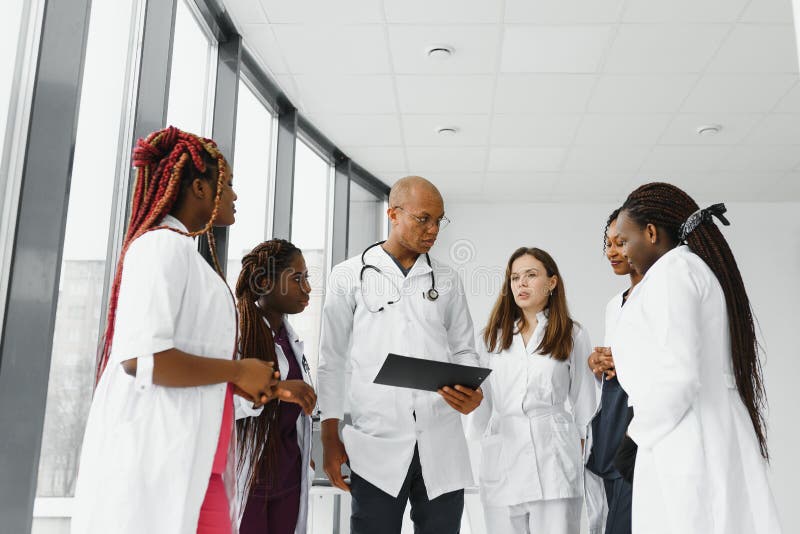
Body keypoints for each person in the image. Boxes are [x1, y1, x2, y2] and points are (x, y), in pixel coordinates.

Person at [72, 126, 278, 534]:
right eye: (227, 185)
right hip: (158, 468)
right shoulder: (159, 248)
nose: (234, 196)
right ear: (199, 188)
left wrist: (242, 385)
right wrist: (237, 371)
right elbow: (142, 359)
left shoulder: (185, 254)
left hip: (198, 468)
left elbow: (189, 366)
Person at [612, 182, 782, 534]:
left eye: (625, 240)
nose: (623, 252)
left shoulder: (673, 274)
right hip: (694, 431)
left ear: (651, 233)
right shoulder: (686, 270)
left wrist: (635, 435)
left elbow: (679, 376)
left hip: (684, 437)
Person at [317, 176, 483, 534]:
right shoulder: (348, 275)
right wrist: (329, 435)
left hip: (440, 438)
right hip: (377, 442)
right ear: (393, 214)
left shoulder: (447, 278)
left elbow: (464, 348)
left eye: (439, 220)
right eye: (423, 218)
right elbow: (332, 359)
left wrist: (472, 391)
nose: (433, 229)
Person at [467, 246, 596, 534]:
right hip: (503, 458)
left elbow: (585, 404)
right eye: (515, 278)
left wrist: (579, 455)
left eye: (531, 275)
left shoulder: (572, 334)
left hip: (555, 463)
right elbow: (480, 407)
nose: (521, 284)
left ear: (552, 282)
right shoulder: (491, 338)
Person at [235, 239, 317, 534]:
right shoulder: (239, 335)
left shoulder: (289, 339)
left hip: (289, 478)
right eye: (297, 279)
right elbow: (219, 400)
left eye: (307, 278)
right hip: (251, 479)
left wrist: (304, 457)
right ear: (265, 283)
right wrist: (277, 389)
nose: (307, 288)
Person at [584, 208, 643, 534]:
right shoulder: (614, 303)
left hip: (638, 428)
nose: (611, 252)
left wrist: (623, 360)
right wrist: (598, 363)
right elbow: (615, 362)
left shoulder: (659, 294)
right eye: (607, 243)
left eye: (620, 242)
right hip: (611, 423)